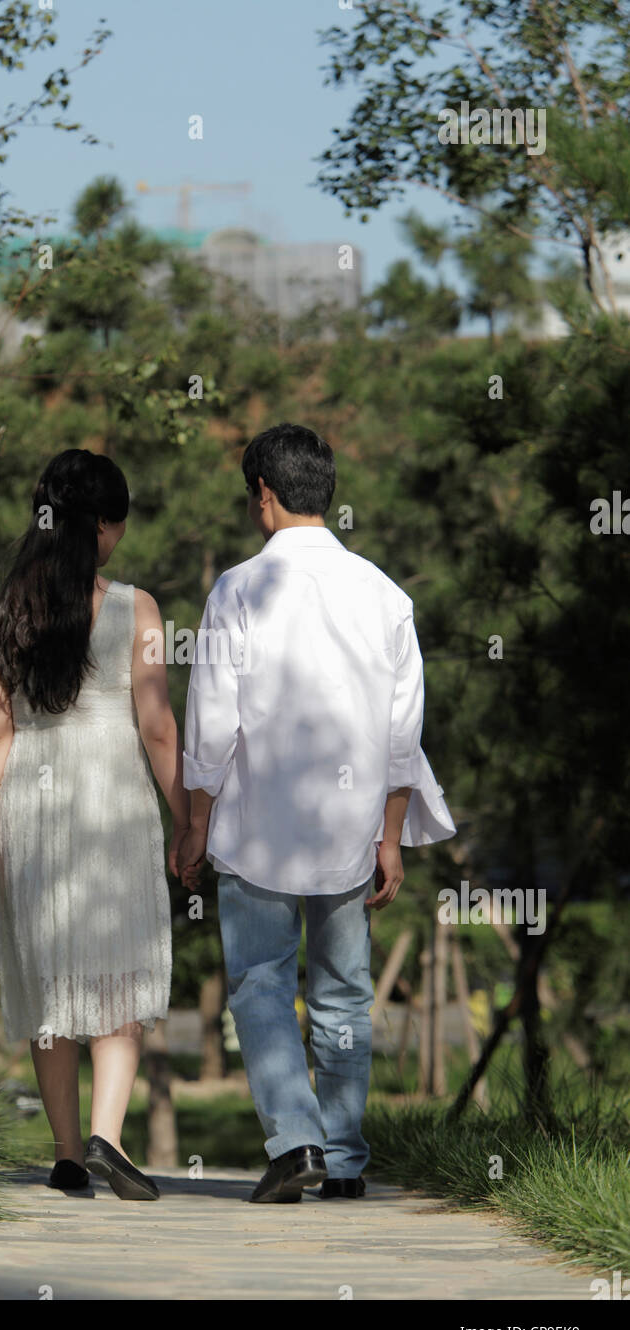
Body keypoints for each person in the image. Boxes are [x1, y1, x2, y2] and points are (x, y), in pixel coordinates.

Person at [177, 423, 456, 1204]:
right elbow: (404, 734)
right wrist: (391, 836)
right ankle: (344, 1160)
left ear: (264, 495)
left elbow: (210, 726)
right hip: (352, 831)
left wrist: (194, 824)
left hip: (256, 826)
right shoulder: (385, 595)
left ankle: (295, 1142)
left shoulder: (235, 588)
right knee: (344, 994)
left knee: (261, 984)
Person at [0, 448, 189, 1201]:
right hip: (113, 790)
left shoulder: (0, 618)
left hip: (35, 800)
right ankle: (108, 1137)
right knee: (118, 969)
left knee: (50, 971)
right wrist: (186, 815)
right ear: (104, 527)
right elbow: (156, 726)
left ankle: (65, 1153)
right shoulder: (136, 609)